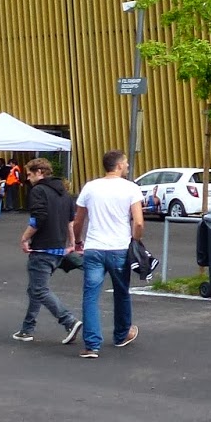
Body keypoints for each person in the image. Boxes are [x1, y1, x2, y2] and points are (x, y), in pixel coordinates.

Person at [71, 149, 143, 359]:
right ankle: (122, 334)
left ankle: (91, 345)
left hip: (94, 247)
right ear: (119, 165)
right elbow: (138, 221)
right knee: (122, 292)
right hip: (119, 248)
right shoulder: (131, 188)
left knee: (91, 296)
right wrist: (135, 240)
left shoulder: (90, 187)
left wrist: (77, 241)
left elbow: (78, 220)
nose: (128, 166)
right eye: (126, 163)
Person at [12, 158, 82, 345]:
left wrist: (25, 237)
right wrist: (72, 243)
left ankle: (69, 321)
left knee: (39, 289)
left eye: (29, 174)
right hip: (58, 248)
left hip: (42, 247)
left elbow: (38, 218)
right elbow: (70, 222)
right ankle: (27, 329)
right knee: (35, 288)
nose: (28, 178)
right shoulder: (65, 194)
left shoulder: (39, 191)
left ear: (40, 172)